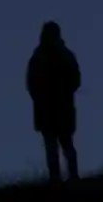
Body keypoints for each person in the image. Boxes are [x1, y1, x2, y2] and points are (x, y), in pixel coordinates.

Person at [25, 20, 81, 183]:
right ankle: (58, 178)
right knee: (55, 145)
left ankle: (67, 177)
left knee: (62, 143)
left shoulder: (48, 57)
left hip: (57, 108)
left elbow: (75, 80)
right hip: (50, 109)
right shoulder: (42, 57)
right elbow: (32, 84)